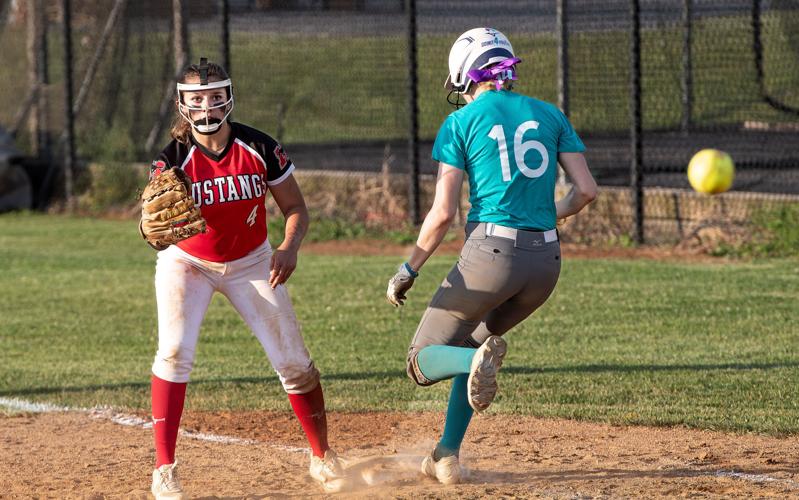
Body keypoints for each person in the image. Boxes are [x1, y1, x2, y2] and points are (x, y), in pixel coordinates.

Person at [386, 28, 597, 485]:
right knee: (468, 343)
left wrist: (408, 269)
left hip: (492, 254)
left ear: (465, 76)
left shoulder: (460, 123)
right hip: (545, 265)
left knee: (422, 360)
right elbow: (586, 191)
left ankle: (472, 364)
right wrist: (545, 214)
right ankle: (446, 455)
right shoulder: (550, 113)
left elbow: (442, 214)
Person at [144, 58, 347, 498]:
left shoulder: (259, 147)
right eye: (196, 98)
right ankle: (164, 469)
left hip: (253, 260)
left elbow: (296, 209)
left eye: (215, 95)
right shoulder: (173, 158)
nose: (207, 105)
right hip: (188, 263)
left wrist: (288, 247)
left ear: (229, 96)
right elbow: (156, 231)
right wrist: (152, 233)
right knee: (175, 351)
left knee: (293, 362)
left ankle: (322, 455)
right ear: (182, 103)